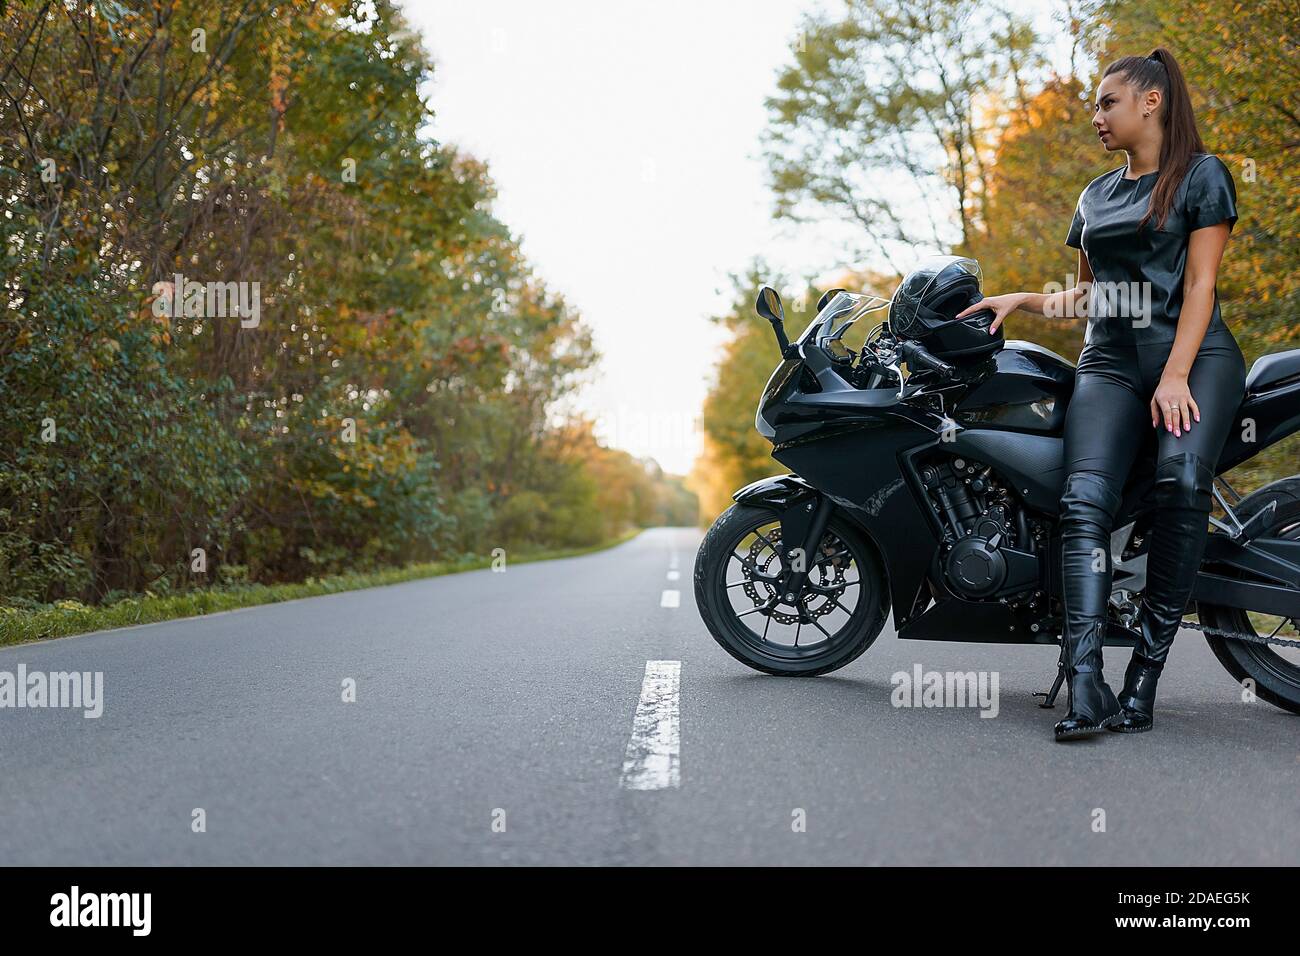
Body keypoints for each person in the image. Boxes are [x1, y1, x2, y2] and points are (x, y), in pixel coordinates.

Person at [954, 47, 1246, 741]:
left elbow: (1201, 286)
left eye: (1107, 102)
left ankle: (1143, 679)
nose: (1096, 116)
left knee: (1180, 484)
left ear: (1151, 102)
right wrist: (1024, 298)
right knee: (1083, 501)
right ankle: (1087, 682)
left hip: (1195, 355)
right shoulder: (1095, 195)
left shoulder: (1202, 177)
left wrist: (1175, 374)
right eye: (1093, 104)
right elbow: (1094, 293)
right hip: (1111, 361)